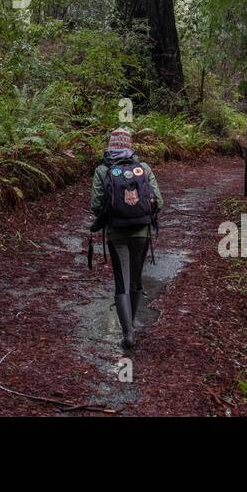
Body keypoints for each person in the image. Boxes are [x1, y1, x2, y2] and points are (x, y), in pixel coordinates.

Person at [90, 128, 162, 350]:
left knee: (121, 281)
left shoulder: (103, 170)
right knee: (137, 279)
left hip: (116, 233)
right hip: (141, 232)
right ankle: (131, 323)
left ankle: (128, 333)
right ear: (130, 145)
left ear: (110, 145)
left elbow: (95, 206)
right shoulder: (144, 168)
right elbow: (158, 201)